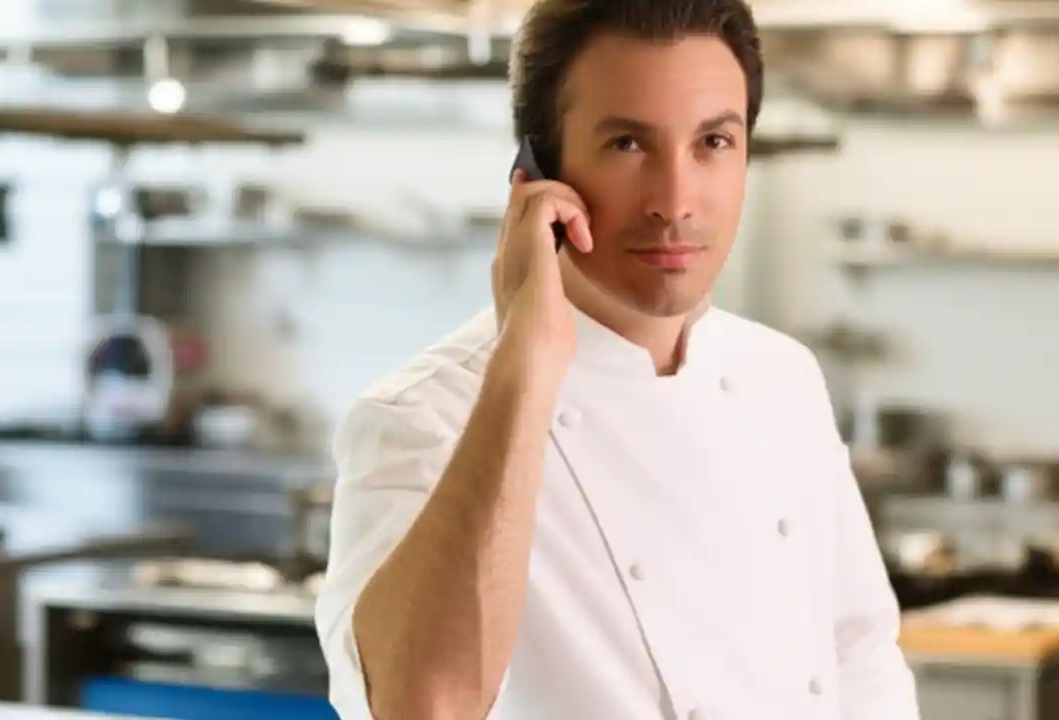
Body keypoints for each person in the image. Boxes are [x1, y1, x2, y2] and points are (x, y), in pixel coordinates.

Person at [314, 1, 920, 718]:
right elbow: (420, 706)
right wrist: (526, 362)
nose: (674, 201)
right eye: (629, 144)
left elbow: (860, 654)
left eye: (713, 143)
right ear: (535, 172)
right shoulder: (423, 417)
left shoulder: (781, 375)